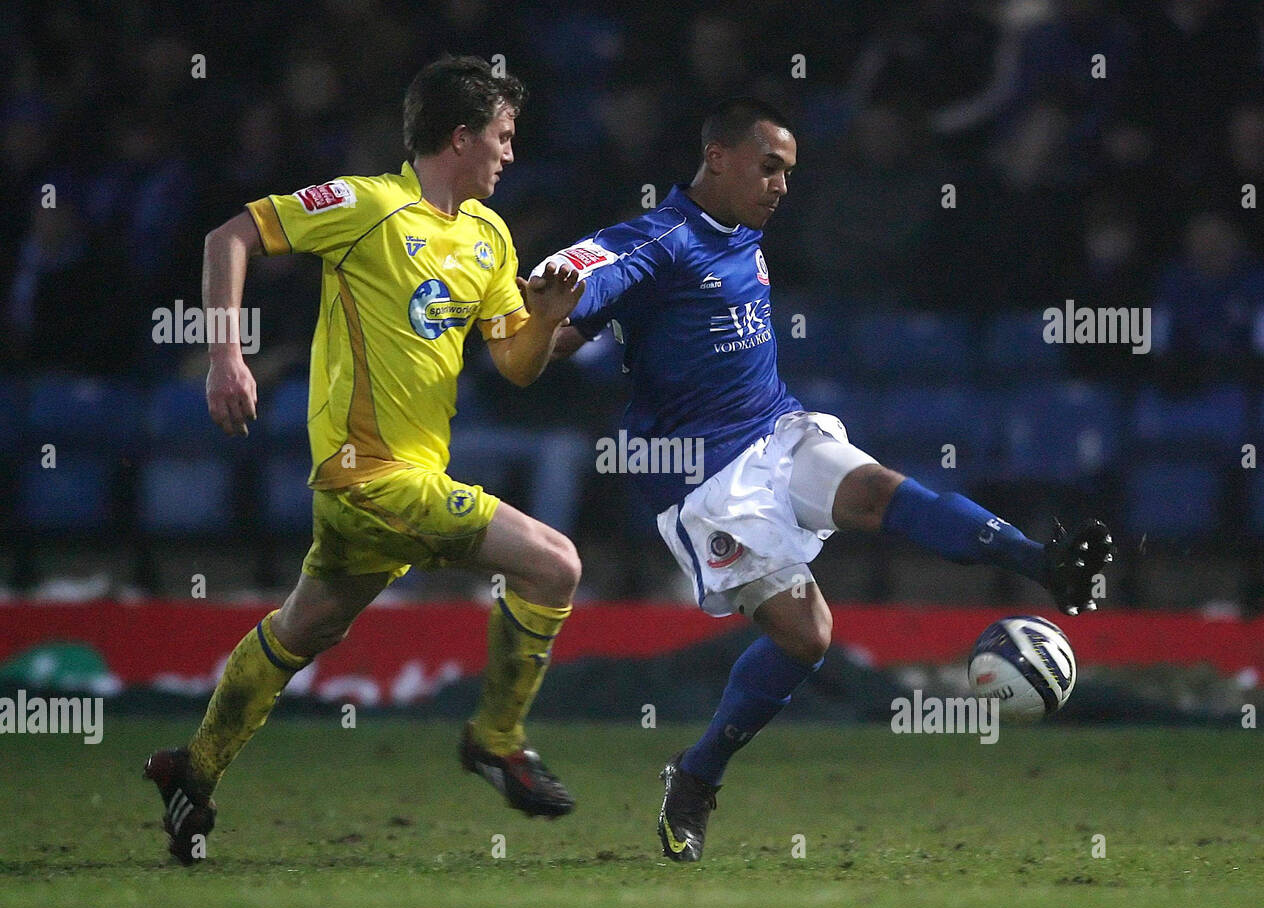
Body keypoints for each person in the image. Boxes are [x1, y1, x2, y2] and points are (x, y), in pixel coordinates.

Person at [534, 97, 1113, 863]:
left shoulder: (744, 237)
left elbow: (590, 327)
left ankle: (1043, 563)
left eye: (789, 173)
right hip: (704, 478)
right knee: (809, 637)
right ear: (717, 158)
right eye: (769, 167)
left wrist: (575, 332)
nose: (781, 185)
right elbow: (585, 282)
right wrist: (548, 306)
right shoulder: (660, 239)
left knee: (880, 488)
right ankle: (697, 776)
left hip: (775, 428)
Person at [144, 56, 586, 865]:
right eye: (502, 136)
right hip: (368, 477)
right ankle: (495, 739)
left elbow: (518, 363)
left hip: (404, 487)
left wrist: (552, 318)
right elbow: (229, 236)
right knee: (555, 564)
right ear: (460, 137)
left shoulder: (488, 237)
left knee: (301, 628)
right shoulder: (366, 204)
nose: (510, 154)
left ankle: (191, 769)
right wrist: (226, 356)